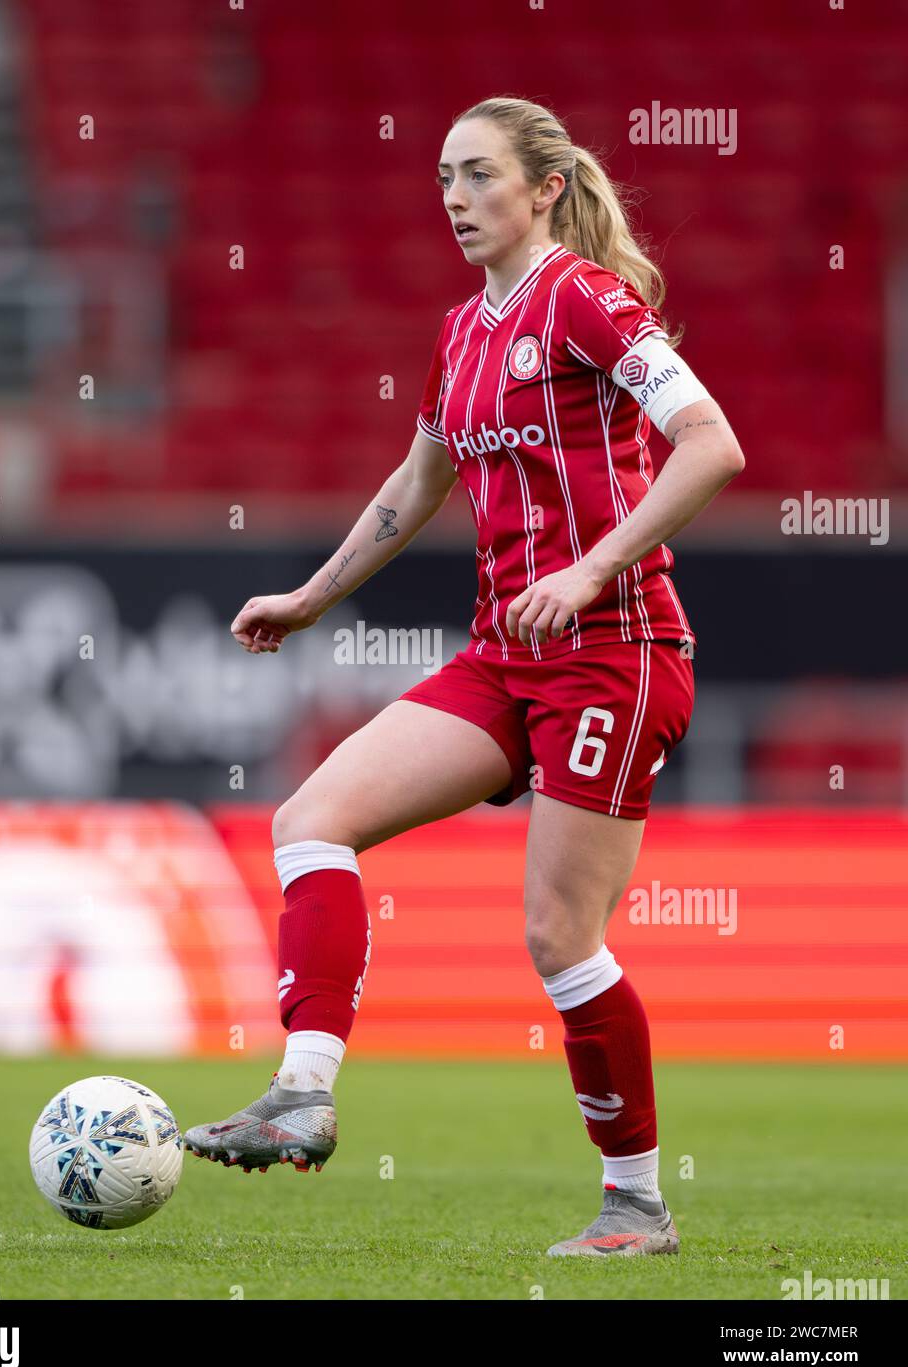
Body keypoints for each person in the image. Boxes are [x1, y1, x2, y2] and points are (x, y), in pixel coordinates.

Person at [185, 96, 745, 1258]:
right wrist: (308, 596)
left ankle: (634, 1202)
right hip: (503, 653)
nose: (452, 196)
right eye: (441, 176)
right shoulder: (462, 331)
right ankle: (302, 1087)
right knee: (310, 818)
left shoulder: (585, 300)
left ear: (543, 187)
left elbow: (712, 444)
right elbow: (415, 482)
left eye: (477, 174)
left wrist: (593, 570)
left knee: (556, 936)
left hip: (615, 651)